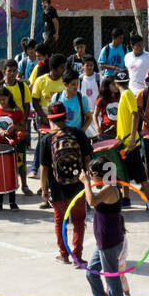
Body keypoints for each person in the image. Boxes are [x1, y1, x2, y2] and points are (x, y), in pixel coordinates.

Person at [40, 102, 91, 264]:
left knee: (60, 223)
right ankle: (77, 256)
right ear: (66, 116)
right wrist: (87, 182)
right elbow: (87, 160)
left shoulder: (47, 139)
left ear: (50, 119)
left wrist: (44, 189)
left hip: (57, 188)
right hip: (78, 186)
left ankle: (63, 255)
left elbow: (44, 168)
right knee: (78, 221)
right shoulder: (78, 134)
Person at [82, 163, 127, 296]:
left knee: (111, 278)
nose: (89, 175)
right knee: (91, 272)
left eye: (90, 173)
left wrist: (86, 183)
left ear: (100, 174)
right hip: (104, 241)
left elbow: (92, 201)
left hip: (109, 241)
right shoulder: (107, 187)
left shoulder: (109, 189)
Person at [0, 60, 35, 195]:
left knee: (20, 157)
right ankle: (4, 184)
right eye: (9, 70)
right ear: (4, 71)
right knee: (3, 159)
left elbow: (27, 106)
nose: (12, 73)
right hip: (1, 131)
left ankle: (24, 185)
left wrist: (22, 123)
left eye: (14, 70)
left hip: (18, 128)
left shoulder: (22, 86)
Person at [0, 85, 25, 210]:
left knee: (11, 172)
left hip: (11, 145)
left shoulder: (17, 110)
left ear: (8, 97)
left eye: (4, 99)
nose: (1, 102)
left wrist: (15, 128)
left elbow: (24, 128)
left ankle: (12, 201)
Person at [112, 69, 149, 205]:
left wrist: (132, 138)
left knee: (139, 174)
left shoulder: (127, 94)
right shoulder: (124, 95)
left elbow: (135, 114)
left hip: (130, 142)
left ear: (116, 83)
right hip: (124, 142)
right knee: (124, 173)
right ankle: (126, 198)